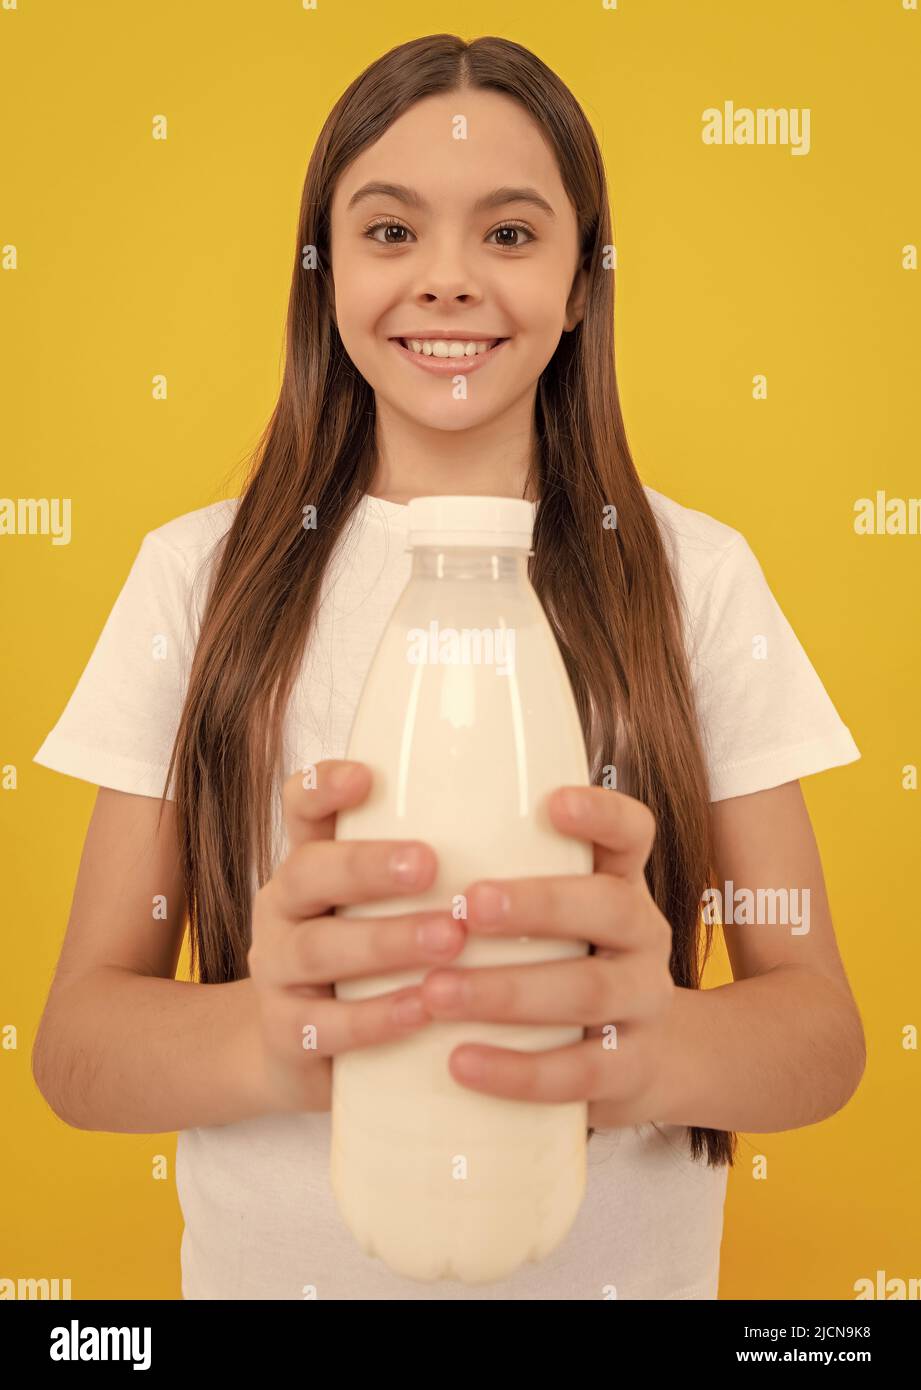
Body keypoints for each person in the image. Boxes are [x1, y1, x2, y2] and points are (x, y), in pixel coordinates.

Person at [31, 34, 865, 1300]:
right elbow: (77, 1048)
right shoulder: (197, 581)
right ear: (323, 274)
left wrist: (654, 1050)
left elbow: (821, 1035)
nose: (449, 282)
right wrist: (271, 1036)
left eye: (513, 236)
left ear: (584, 282)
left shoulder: (694, 578)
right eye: (390, 231)